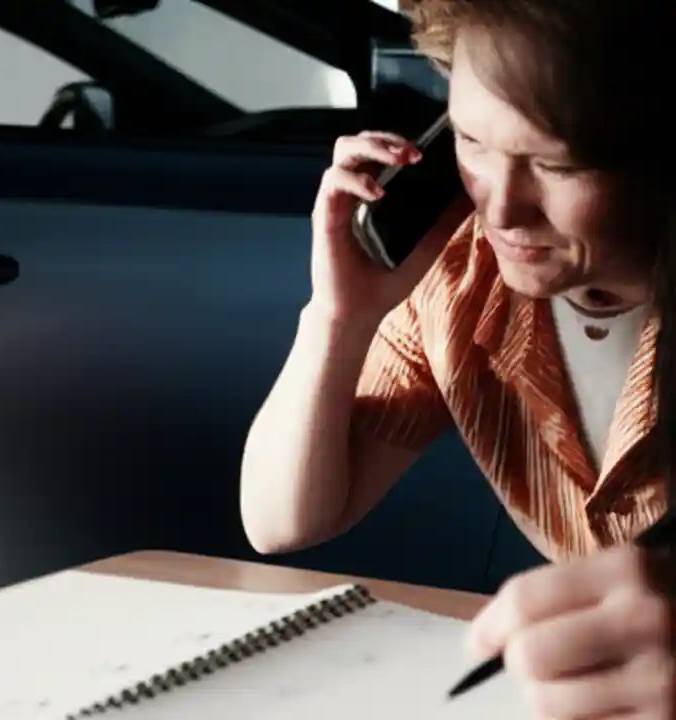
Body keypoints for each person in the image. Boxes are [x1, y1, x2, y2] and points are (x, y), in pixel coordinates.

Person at [238, 0, 675, 716]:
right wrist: (340, 316)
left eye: (555, 164)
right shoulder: (462, 278)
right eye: (471, 142)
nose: (501, 209)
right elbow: (284, 520)